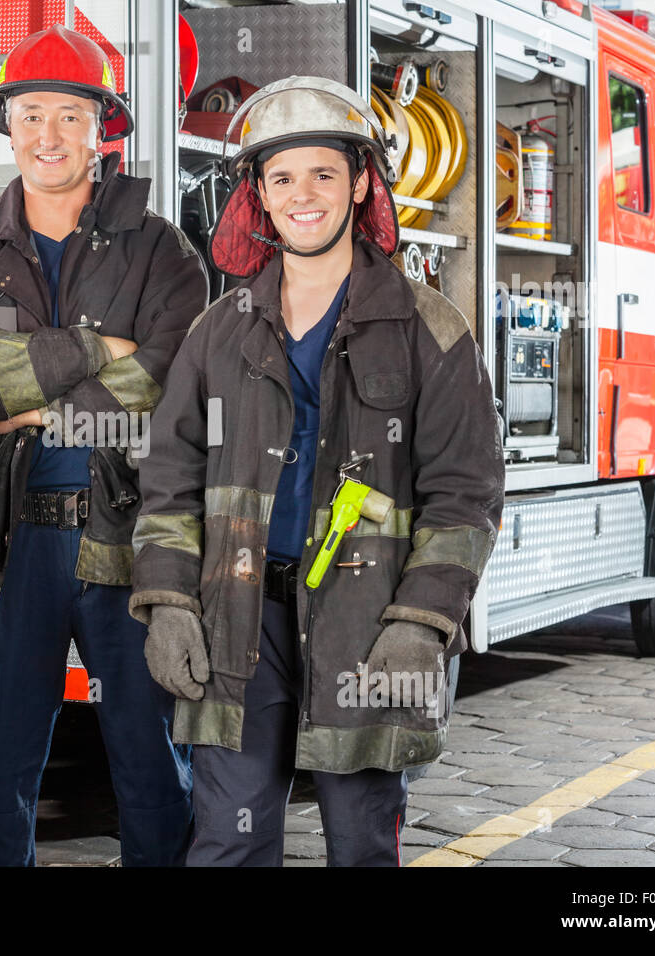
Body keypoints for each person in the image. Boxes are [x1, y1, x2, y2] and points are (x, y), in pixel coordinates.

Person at [129, 76, 504, 866]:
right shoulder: (216, 333)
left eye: (324, 174)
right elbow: (168, 482)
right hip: (237, 621)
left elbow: (465, 495)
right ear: (258, 197)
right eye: (282, 178)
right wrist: (166, 599)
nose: (304, 196)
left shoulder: (429, 329)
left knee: (362, 843)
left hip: (369, 624)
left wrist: (421, 619)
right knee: (226, 841)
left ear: (361, 181)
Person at [0, 23, 208, 866]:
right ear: (6, 122)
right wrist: (95, 351)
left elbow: (170, 381)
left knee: (154, 764)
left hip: (127, 540)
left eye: (70, 115)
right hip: (7, 545)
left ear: (101, 128)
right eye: (32, 113)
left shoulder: (162, 249)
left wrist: (39, 408)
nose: (49, 135)